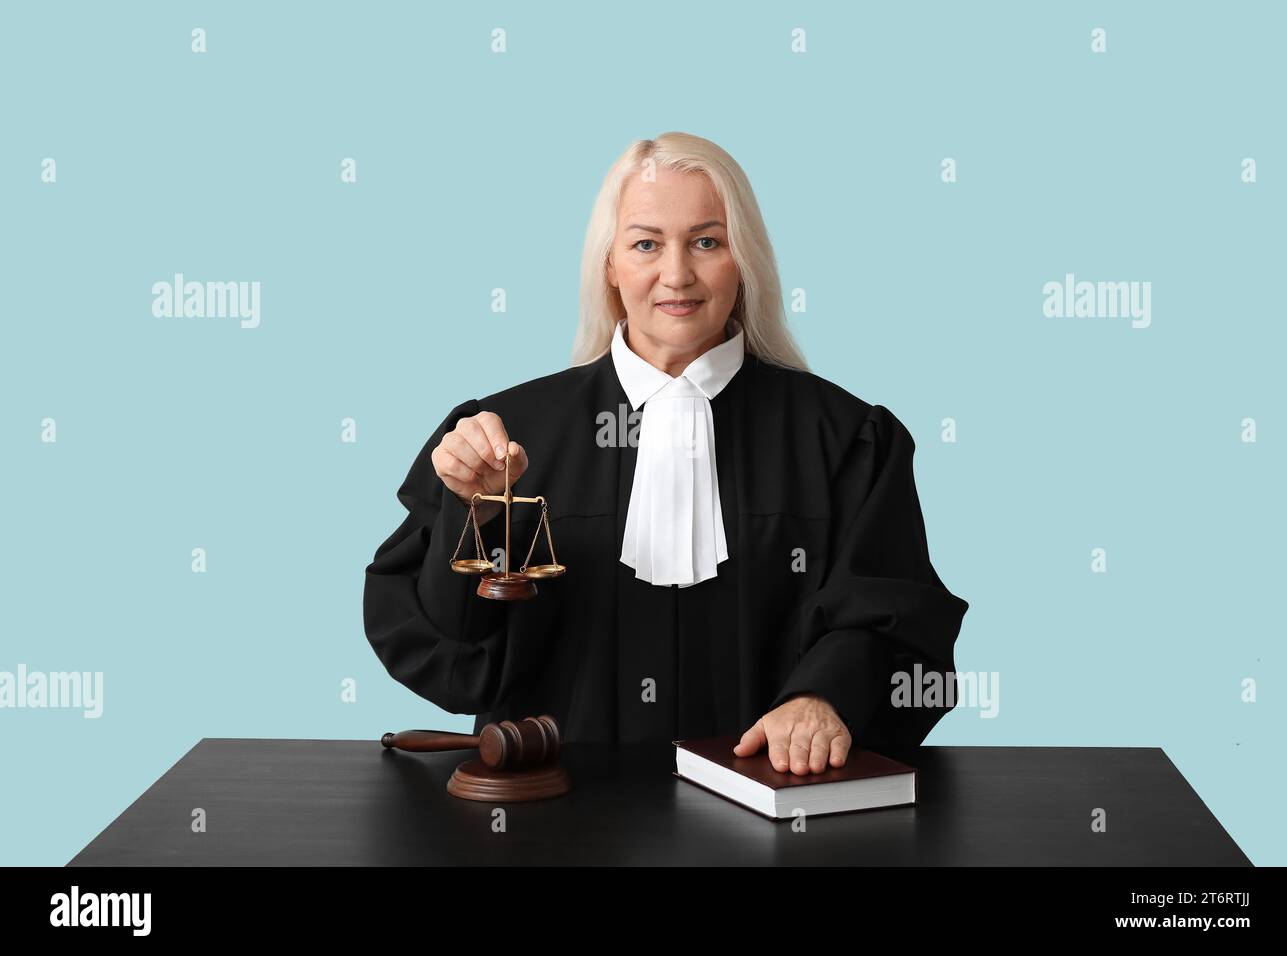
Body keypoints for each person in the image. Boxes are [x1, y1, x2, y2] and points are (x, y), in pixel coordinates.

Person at [363, 132, 969, 775]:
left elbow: (897, 620)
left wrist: (824, 696)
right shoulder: (506, 434)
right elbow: (442, 654)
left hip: (773, 809)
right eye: (646, 243)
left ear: (746, 261)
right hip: (555, 817)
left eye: (707, 241)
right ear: (609, 265)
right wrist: (474, 510)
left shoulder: (845, 439)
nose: (676, 274)